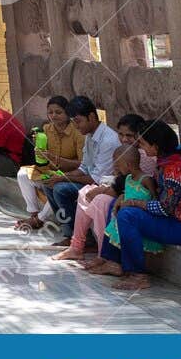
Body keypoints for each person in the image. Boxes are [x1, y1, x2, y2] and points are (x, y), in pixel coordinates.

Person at [88, 120, 181, 291]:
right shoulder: (165, 161)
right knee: (117, 204)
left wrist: (133, 202)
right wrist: (125, 197)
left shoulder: (175, 169)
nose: (141, 148)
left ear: (156, 145)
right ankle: (113, 261)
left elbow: (165, 208)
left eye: (143, 143)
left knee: (127, 215)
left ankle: (138, 275)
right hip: (170, 220)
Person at [53, 112, 148, 262]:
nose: (124, 139)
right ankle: (76, 246)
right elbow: (120, 179)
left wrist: (103, 189)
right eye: (121, 134)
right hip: (120, 191)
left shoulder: (142, 154)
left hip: (133, 197)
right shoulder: (122, 150)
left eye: (129, 136)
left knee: (101, 201)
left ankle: (103, 254)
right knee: (85, 192)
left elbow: (131, 185)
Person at [42, 95, 121, 241]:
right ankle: (69, 233)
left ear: (91, 117)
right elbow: (84, 168)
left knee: (61, 189)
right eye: (73, 122)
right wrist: (59, 176)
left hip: (105, 186)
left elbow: (96, 179)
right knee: (50, 185)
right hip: (91, 181)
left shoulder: (108, 140)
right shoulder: (90, 136)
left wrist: (64, 178)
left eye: (78, 121)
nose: (76, 126)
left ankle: (80, 238)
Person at [13, 95, 83, 230]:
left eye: (58, 112)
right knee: (22, 174)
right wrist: (38, 148)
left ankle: (40, 219)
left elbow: (81, 164)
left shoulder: (77, 132)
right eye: (50, 112)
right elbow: (42, 159)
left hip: (70, 175)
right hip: (48, 171)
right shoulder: (46, 129)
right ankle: (33, 214)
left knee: (56, 186)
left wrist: (54, 159)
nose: (54, 116)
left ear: (68, 113)